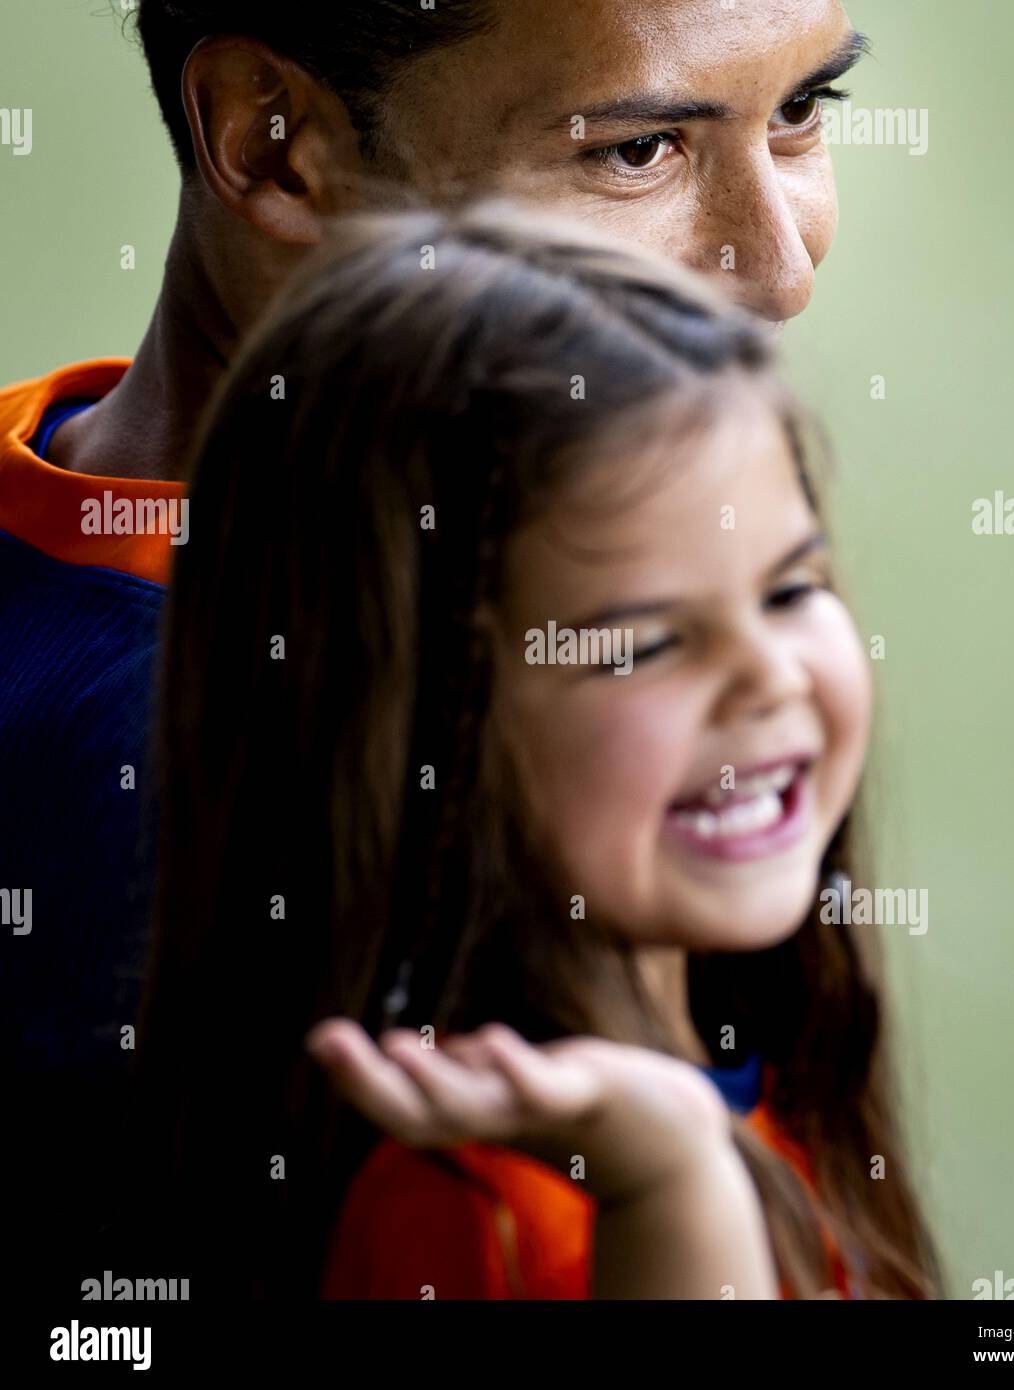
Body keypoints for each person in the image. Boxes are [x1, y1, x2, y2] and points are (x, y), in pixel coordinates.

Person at [0, 0, 870, 1293]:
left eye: (800, 109)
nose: (779, 269)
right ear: (275, 141)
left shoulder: (56, 470)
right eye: (636, 150)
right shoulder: (276, 784)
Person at [133, 201, 940, 1300]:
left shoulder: (757, 1044)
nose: (769, 675)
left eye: (791, 588)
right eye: (646, 642)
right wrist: (675, 1191)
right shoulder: (474, 1214)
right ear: (409, 715)